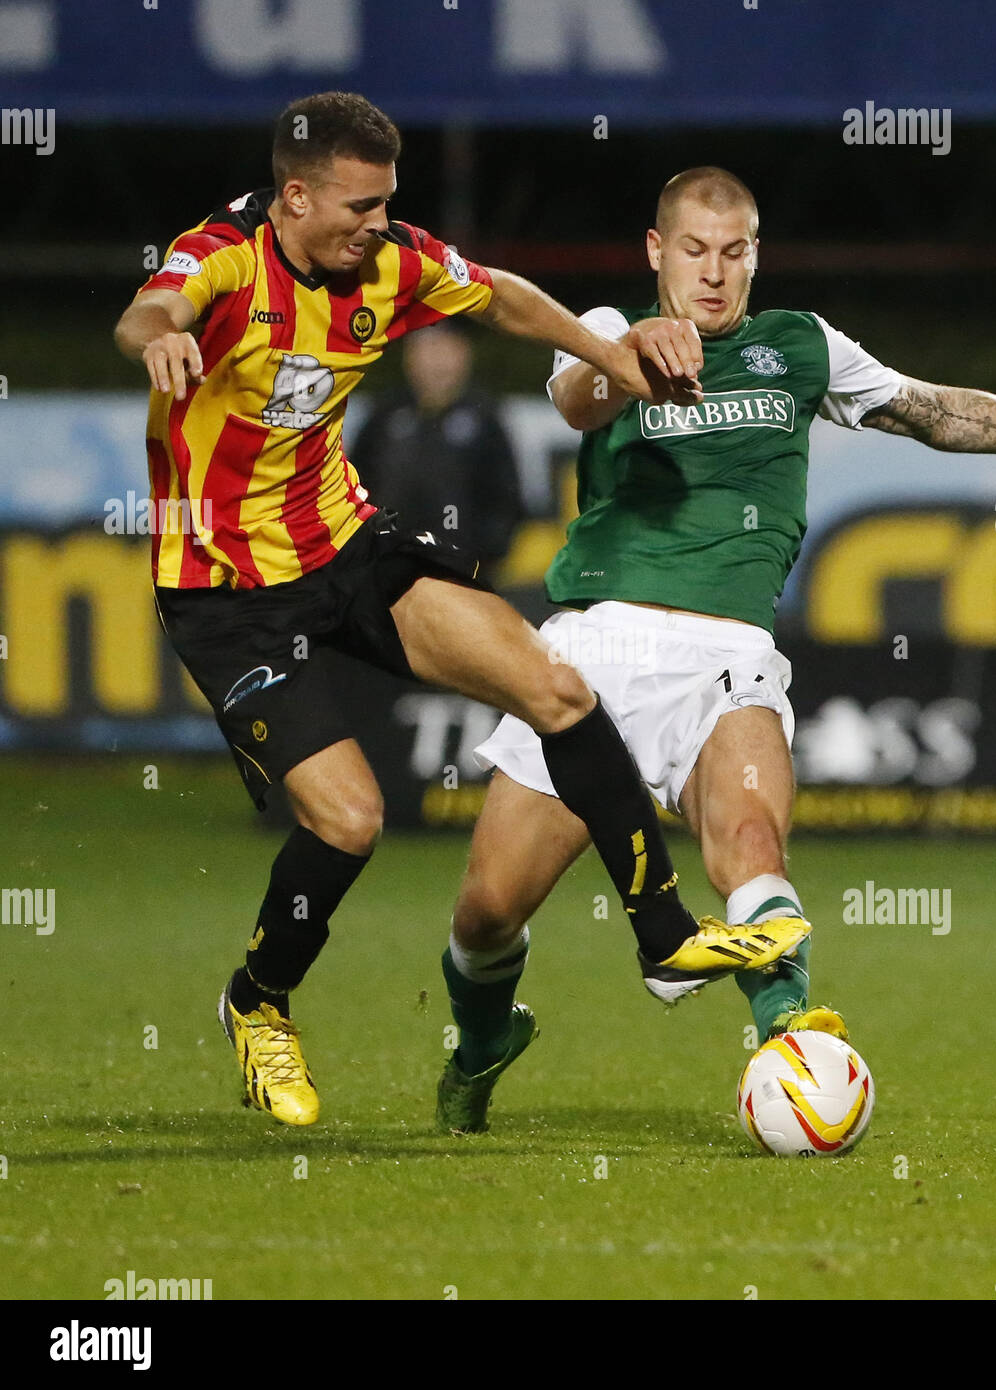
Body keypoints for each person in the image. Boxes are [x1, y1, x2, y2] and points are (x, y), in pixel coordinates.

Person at [113, 105, 810, 1128]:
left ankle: (663, 932)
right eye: (361, 205)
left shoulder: (387, 262)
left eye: (388, 202)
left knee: (557, 685)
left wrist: (604, 353)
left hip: (343, 549)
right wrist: (164, 340)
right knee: (350, 821)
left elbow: (503, 299)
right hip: (228, 595)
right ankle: (258, 1001)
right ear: (296, 196)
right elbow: (148, 309)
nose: (378, 223)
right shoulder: (221, 261)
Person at [435, 165, 996, 1135]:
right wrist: (624, 358)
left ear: (756, 255)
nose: (714, 272)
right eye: (694, 250)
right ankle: (484, 1037)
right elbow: (573, 400)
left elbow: (935, 411)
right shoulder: (606, 329)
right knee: (486, 910)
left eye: (735, 253)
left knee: (752, 847)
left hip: (726, 653)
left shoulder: (800, 346)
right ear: (658, 251)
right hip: (591, 654)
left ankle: (795, 1039)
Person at [351, 318, 524, 582]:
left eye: (445, 348)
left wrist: (484, 556)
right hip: (388, 570)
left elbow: (506, 498)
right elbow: (355, 484)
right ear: (409, 356)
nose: (435, 360)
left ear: (463, 353)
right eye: (426, 348)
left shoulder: (484, 418)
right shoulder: (385, 415)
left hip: (462, 572)